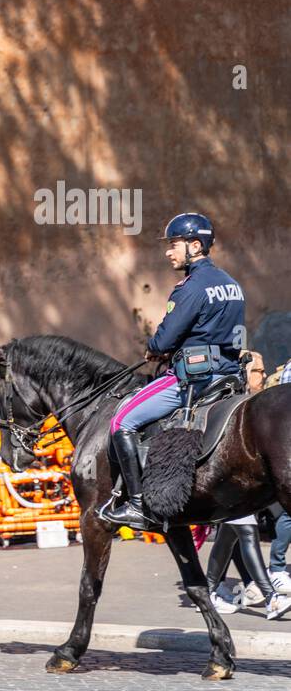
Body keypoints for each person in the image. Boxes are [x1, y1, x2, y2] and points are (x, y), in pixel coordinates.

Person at [98, 213, 244, 530]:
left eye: (174, 244)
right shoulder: (232, 285)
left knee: (122, 419)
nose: (168, 252)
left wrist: (153, 347)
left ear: (195, 244)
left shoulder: (190, 288)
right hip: (229, 377)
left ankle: (137, 506)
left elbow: (165, 338)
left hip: (193, 379)